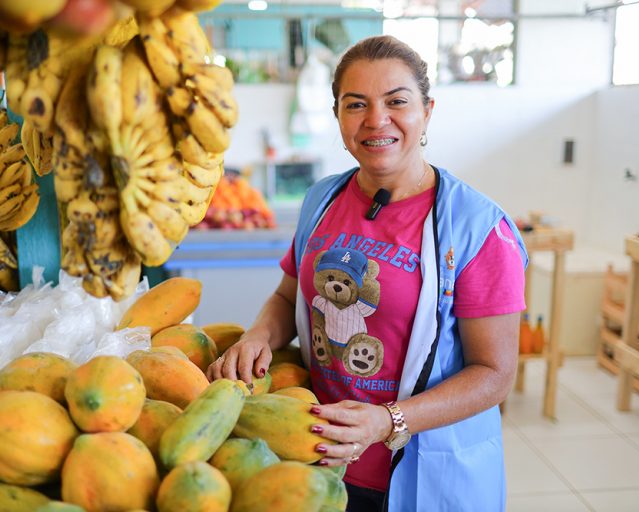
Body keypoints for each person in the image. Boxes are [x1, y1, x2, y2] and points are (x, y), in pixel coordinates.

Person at [207, 35, 528, 512]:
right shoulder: (322, 200)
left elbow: (494, 374)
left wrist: (387, 421)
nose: (376, 120)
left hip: (425, 471)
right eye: (356, 104)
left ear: (427, 111)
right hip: (316, 460)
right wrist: (258, 335)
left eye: (396, 101)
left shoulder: (478, 227)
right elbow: (286, 296)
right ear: (337, 115)